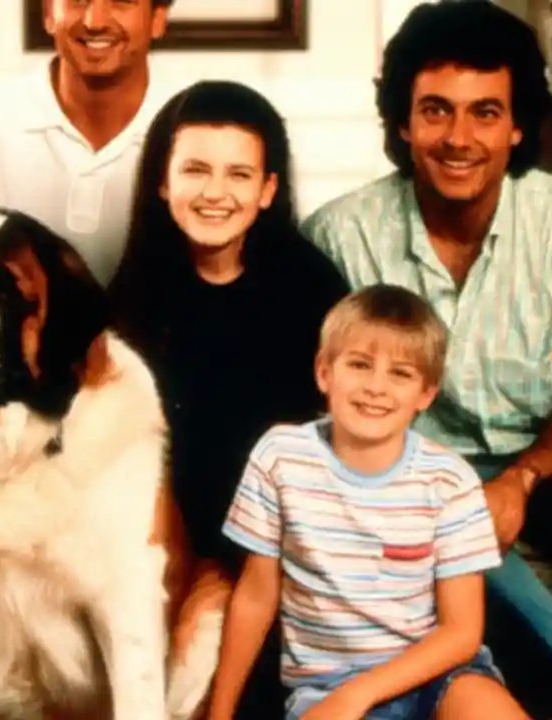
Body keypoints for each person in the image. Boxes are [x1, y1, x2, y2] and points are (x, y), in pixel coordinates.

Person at [301, 2, 552, 718]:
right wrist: (448, 493)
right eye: (435, 112)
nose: (459, 138)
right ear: (402, 122)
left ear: (517, 128)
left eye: (485, 113)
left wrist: (521, 479)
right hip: (414, 481)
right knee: (432, 510)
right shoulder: (339, 235)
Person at [109, 79, 348, 717]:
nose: (216, 193)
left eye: (239, 174)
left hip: (288, 540)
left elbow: (337, 448)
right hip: (175, 540)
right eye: (195, 170)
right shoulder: (132, 299)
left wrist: (243, 566)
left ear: (268, 191)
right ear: (162, 182)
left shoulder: (312, 288)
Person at [209, 285, 528, 720]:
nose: (376, 387)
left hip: (437, 676)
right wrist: (219, 714)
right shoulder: (280, 457)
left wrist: (359, 694)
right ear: (324, 373)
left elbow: (461, 632)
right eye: (360, 365)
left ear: (426, 394)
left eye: (401, 373)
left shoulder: (449, 480)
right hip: (325, 691)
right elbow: (256, 595)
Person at [0, 0, 179, 284]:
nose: (95, 21)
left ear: (157, 19)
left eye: (122, 2)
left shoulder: (192, 128)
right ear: (48, 14)